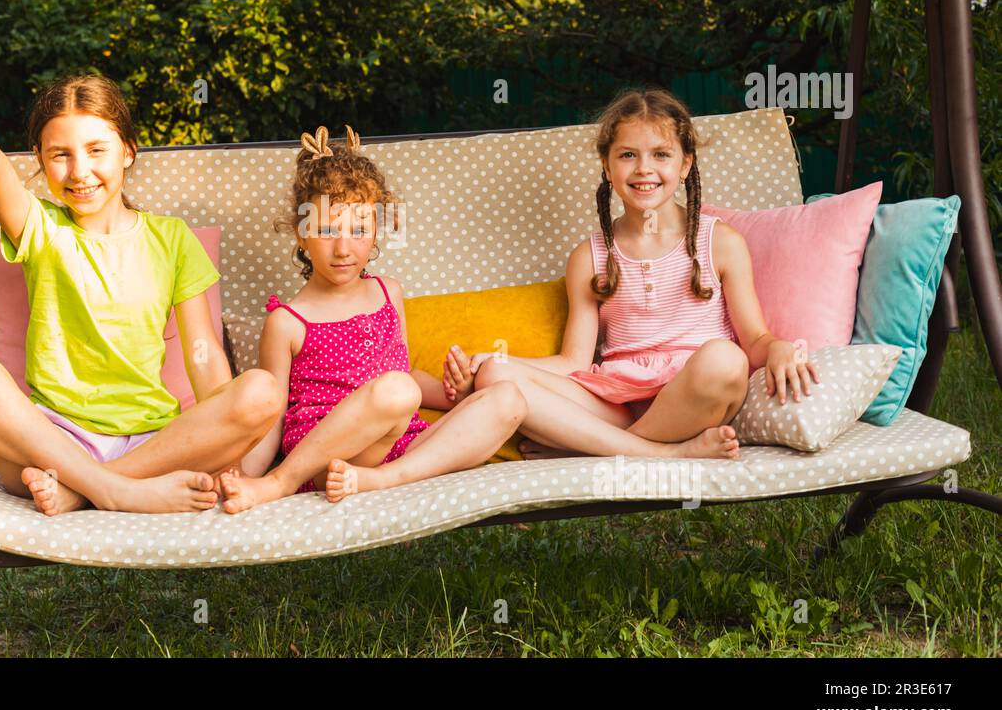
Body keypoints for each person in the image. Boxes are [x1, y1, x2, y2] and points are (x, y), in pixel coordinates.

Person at [0, 8, 285, 515]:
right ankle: (114, 491)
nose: (80, 171)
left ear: (128, 152)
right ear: (41, 163)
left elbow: (203, 356)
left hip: (153, 444)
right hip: (47, 447)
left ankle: (89, 490)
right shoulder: (40, 226)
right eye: (59, 155)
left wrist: (225, 428)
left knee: (262, 392)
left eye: (96, 150)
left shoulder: (172, 239)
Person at [446, 88, 819, 460]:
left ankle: (590, 446)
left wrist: (778, 348)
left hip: (694, 394)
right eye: (627, 155)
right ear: (607, 167)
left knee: (726, 359)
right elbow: (573, 363)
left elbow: (754, 339)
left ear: (685, 164)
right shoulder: (588, 258)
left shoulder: (719, 242)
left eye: (661, 154)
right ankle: (653, 451)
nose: (644, 169)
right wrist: (497, 360)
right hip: (616, 403)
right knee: (495, 374)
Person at [218, 125, 527, 512]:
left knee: (508, 398)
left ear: (376, 230)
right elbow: (272, 414)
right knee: (397, 391)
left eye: (359, 230)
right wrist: (245, 474)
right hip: (322, 457)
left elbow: (406, 374)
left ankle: (383, 481)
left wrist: (459, 395)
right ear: (301, 235)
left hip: (398, 445)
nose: (344, 248)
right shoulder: (288, 321)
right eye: (327, 230)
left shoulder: (388, 292)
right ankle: (281, 484)